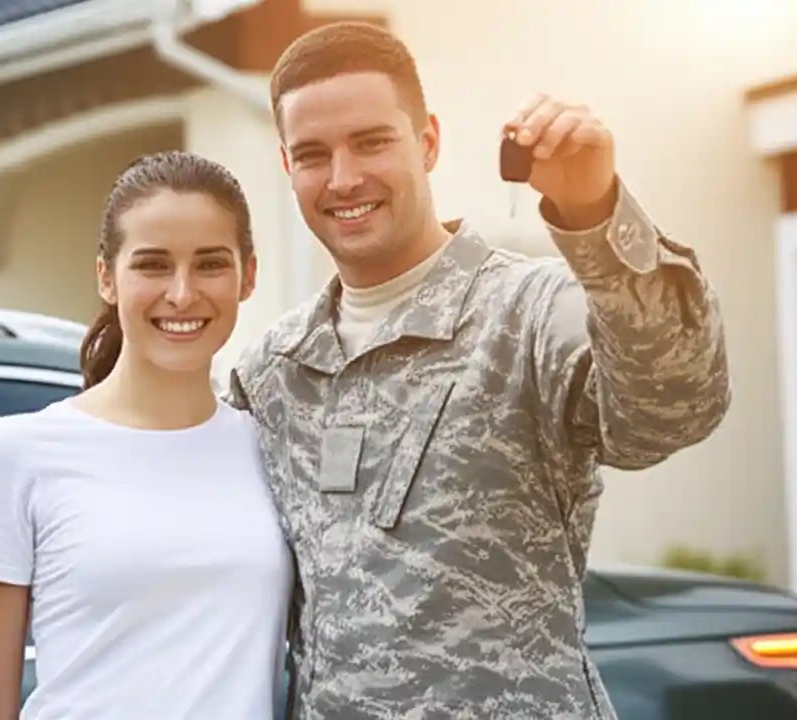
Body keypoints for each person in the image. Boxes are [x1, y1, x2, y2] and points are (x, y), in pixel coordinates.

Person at [226, 22, 731, 720]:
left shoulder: (530, 314)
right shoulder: (272, 374)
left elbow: (671, 411)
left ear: (428, 140)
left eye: (371, 142)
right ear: (287, 168)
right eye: (314, 154)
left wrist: (593, 210)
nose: (343, 179)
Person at [0, 151, 293, 720]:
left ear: (248, 275)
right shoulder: (19, 453)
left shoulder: (273, 450)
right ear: (106, 277)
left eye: (210, 264)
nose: (182, 294)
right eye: (152, 265)